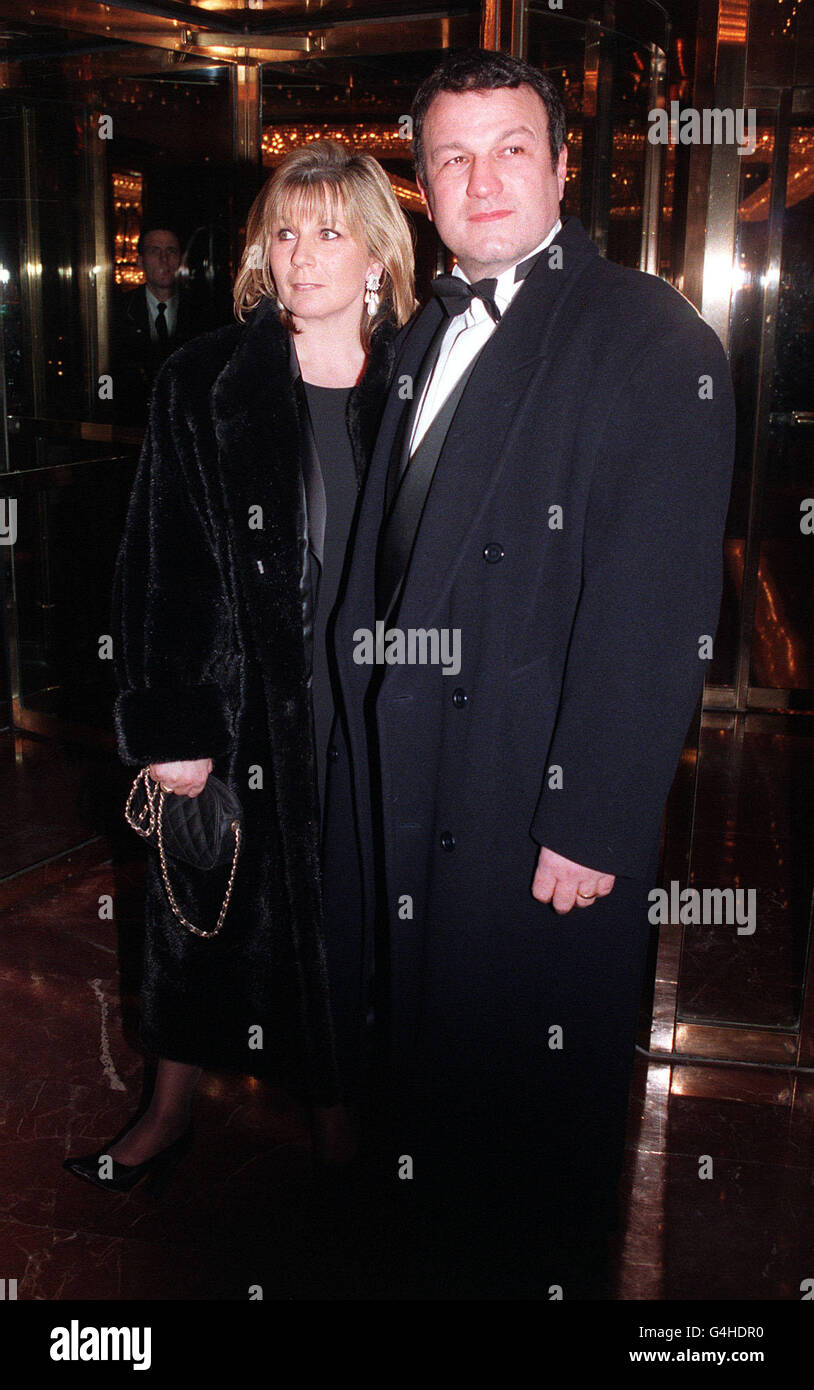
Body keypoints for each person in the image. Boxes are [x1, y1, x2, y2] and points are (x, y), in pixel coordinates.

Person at [322, 50, 736, 1296]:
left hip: (524, 797)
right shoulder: (416, 339)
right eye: (451, 155)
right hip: (402, 780)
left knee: (522, 1114)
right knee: (416, 1086)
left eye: (510, 148)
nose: (480, 177)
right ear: (422, 183)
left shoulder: (649, 336)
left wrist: (595, 816)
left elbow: (656, 606)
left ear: (562, 166)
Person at [64, 141, 414, 1193]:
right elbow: (158, 558)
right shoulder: (204, 377)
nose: (302, 255)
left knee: (351, 922)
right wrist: (172, 726)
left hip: (380, 704)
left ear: (375, 249)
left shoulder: (423, 375)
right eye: (284, 230)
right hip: (237, 700)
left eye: (330, 230)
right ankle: (166, 1110)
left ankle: (343, 1119)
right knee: (197, 916)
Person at [110, 225, 215, 424]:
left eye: (171, 251)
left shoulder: (203, 313)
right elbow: (106, 376)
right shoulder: (117, 311)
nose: (164, 259)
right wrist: (106, 412)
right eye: (154, 251)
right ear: (140, 261)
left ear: (181, 260)